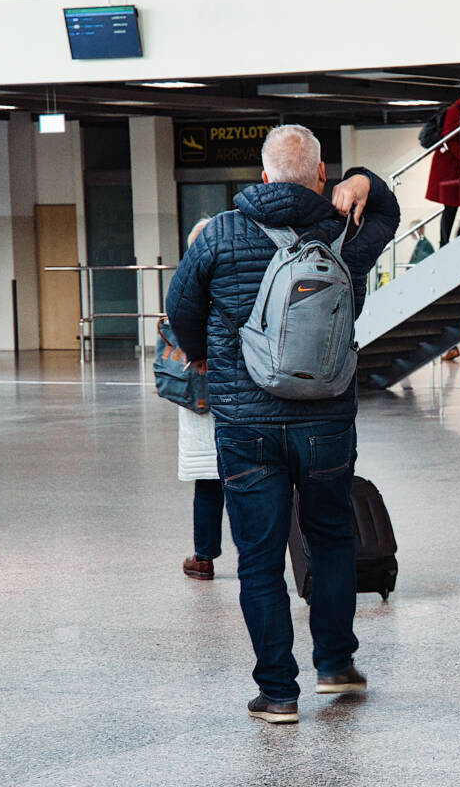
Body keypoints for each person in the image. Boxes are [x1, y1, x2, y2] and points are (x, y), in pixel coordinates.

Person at [165, 124, 399, 724]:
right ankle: (335, 666)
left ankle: (277, 693)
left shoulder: (219, 233)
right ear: (322, 176)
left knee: (260, 557)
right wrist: (362, 182)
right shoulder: (345, 233)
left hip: (245, 421)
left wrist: (202, 356)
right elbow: (389, 208)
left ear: (262, 175)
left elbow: (180, 308)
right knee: (331, 538)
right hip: (326, 418)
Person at [177, 217, 224, 582]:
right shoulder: (236, 284)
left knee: (208, 479)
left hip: (200, 402)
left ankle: (204, 557)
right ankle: (265, 554)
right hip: (242, 396)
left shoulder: (187, 291)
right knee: (253, 480)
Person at [425, 80, 460, 247]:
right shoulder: (455, 111)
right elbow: (449, 139)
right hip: (450, 166)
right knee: (450, 206)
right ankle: (444, 243)